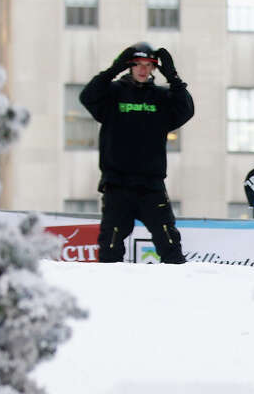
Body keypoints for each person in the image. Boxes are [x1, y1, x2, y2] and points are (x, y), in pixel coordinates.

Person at [79, 42, 194, 264]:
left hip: (151, 185)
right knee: (110, 249)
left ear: (153, 69)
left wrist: (174, 78)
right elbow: (87, 97)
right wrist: (113, 70)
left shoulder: (161, 97)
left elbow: (186, 110)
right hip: (117, 185)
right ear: (129, 66)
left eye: (148, 65)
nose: (142, 69)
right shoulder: (112, 93)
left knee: (170, 245)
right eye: (137, 64)